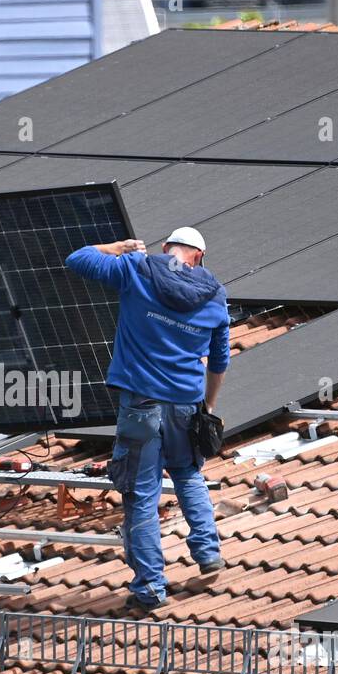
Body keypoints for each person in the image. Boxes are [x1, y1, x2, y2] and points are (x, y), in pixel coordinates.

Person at [65, 226, 229, 614]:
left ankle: (151, 588)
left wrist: (116, 248)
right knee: (188, 473)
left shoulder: (137, 269)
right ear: (200, 257)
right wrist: (207, 406)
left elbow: (78, 258)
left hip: (141, 405)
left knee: (141, 496)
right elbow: (220, 362)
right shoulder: (216, 295)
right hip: (186, 405)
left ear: (166, 249)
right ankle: (207, 552)